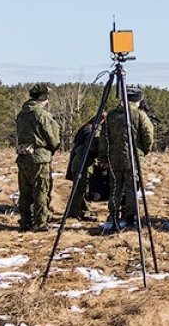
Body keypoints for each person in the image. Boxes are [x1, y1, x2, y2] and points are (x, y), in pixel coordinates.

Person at [105, 88, 156, 226]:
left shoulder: (111, 115)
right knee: (132, 188)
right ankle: (129, 217)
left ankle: (113, 216)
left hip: (114, 158)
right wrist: (144, 151)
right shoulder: (139, 115)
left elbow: (105, 138)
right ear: (137, 100)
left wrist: (104, 156)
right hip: (133, 158)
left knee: (115, 187)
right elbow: (148, 136)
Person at [15, 84, 62, 232]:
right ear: (45, 98)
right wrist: (53, 147)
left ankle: (25, 222)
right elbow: (53, 138)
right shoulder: (42, 114)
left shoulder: (22, 114)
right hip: (40, 158)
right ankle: (41, 223)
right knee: (41, 191)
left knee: (25, 192)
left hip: (23, 157)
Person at [65, 110, 107, 221]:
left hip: (80, 163)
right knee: (81, 189)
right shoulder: (90, 130)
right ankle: (82, 212)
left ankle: (74, 211)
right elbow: (93, 146)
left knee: (79, 188)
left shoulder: (86, 128)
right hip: (82, 164)